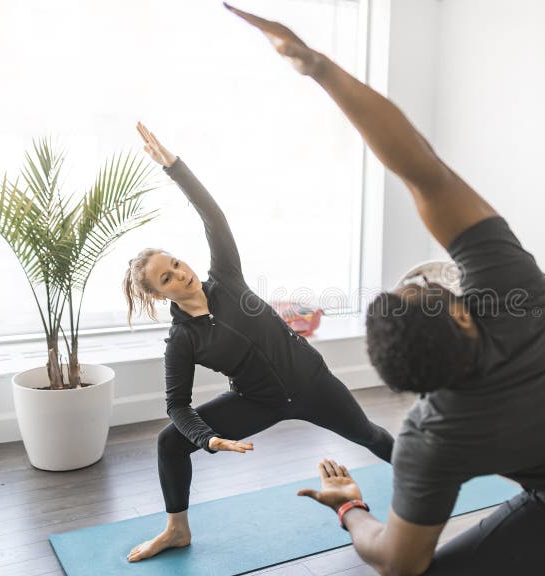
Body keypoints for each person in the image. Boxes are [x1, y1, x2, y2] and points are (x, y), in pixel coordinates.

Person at [224, 5, 545, 576]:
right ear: (463, 317)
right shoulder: (515, 291)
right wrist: (320, 69)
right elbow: (424, 171)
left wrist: (351, 509)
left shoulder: (433, 436)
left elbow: (398, 561)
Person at [122, 122, 394, 562]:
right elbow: (177, 405)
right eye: (166, 277)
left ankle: (426, 478)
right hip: (259, 401)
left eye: (175, 262)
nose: (180, 272)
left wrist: (174, 167)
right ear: (159, 294)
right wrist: (208, 439)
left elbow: (213, 216)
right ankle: (176, 530)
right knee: (169, 441)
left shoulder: (226, 278)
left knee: (369, 434)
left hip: (311, 382)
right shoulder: (181, 340)